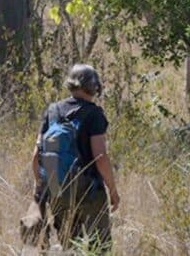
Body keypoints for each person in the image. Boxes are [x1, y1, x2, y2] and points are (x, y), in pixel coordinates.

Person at [27, 63, 120, 251]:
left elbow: (36, 155)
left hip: (57, 189)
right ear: (94, 87)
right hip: (89, 191)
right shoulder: (94, 114)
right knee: (100, 248)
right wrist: (113, 190)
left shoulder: (52, 111)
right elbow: (100, 156)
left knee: (70, 247)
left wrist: (41, 187)